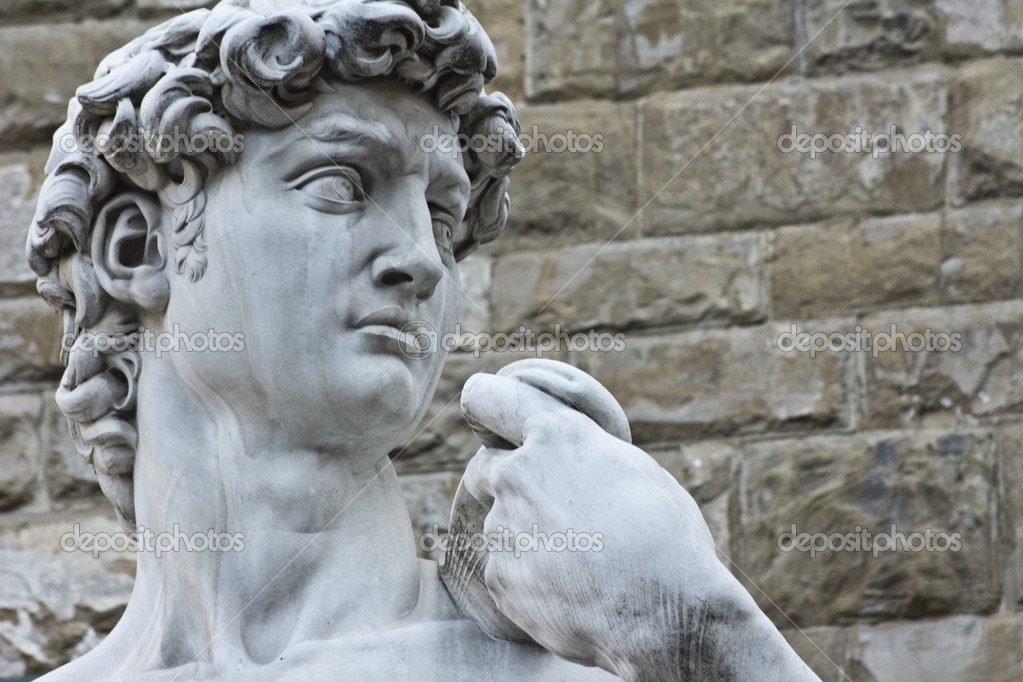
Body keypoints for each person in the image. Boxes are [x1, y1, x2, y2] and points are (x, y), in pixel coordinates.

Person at [27, 1, 818, 679]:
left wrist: (698, 634)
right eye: (341, 183)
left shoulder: (611, 655)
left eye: (442, 218)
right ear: (139, 250)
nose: (421, 259)